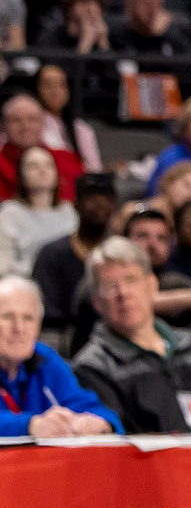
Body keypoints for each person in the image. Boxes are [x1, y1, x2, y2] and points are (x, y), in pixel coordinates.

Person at [71, 236, 191, 433]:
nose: (123, 293)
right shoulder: (93, 366)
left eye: (131, 280)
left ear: (151, 285)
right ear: (97, 302)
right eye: (110, 286)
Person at [0, 274, 121, 437]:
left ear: (38, 327)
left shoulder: (45, 360)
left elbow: (89, 406)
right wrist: (31, 425)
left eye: (28, 318)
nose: (19, 328)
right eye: (7, 317)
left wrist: (100, 423)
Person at [30, 172, 114, 326]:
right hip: (63, 333)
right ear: (76, 205)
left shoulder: (122, 254)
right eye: (92, 198)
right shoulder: (52, 254)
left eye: (106, 198)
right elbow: (48, 310)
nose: (100, 204)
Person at [0, 144, 74, 275]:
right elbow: (3, 263)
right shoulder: (10, 213)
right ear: (21, 176)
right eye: (33, 166)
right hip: (24, 281)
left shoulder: (69, 211)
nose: (43, 170)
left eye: (48, 165)